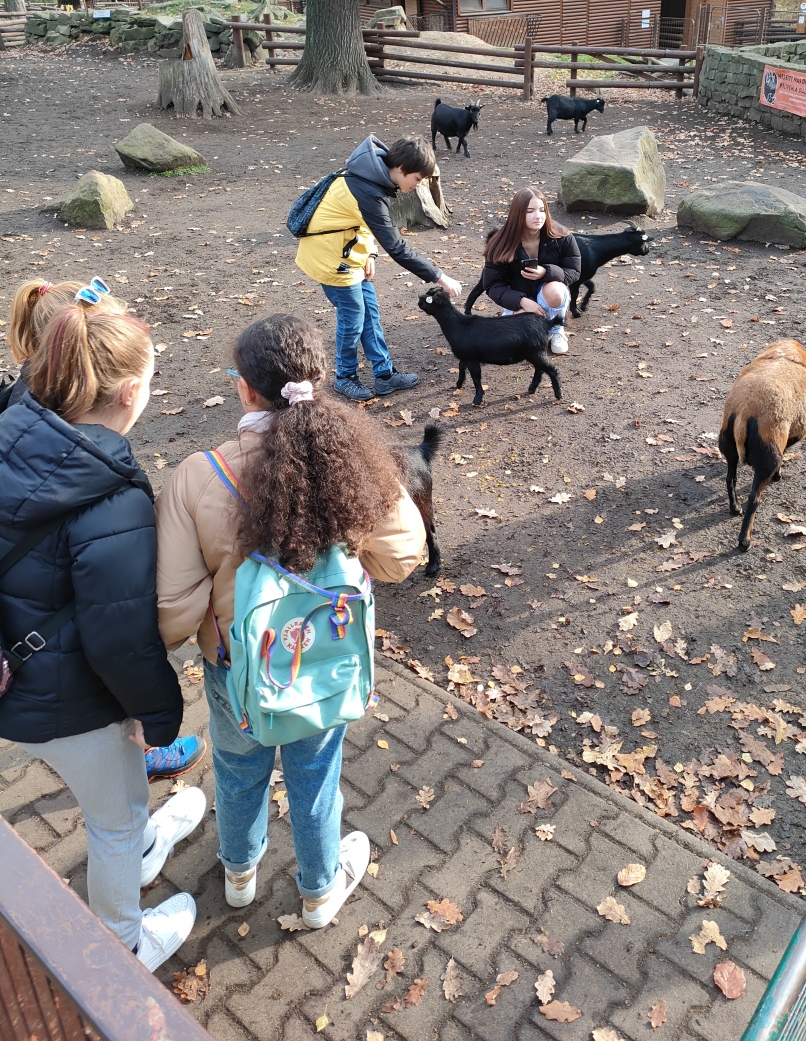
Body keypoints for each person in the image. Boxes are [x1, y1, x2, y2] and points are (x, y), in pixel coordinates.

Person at [155, 313, 426, 925]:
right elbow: (404, 554)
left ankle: (239, 874)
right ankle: (318, 893)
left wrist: (208, 624)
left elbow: (173, 611)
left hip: (237, 669)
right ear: (317, 380)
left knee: (236, 767)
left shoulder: (200, 475)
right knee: (315, 776)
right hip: (326, 659)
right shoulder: (353, 462)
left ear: (245, 388)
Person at [0, 292, 204, 971]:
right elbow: (121, 639)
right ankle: (124, 946)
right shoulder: (112, 501)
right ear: (127, 393)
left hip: (15, 670)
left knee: (118, 801)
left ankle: (143, 846)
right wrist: (160, 715)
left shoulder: (12, 426)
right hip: (62, 702)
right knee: (113, 817)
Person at [294, 134, 462, 401]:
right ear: (402, 170)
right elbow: (396, 247)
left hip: (352, 255)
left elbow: (360, 219)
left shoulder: (373, 176)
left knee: (370, 313)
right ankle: (345, 377)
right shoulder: (368, 189)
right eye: (417, 179)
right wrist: (440, 276)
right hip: (331, 260)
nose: (418, 185)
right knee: (353, 320)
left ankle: (384, 375)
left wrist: (370, 252)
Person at [479, 188, 581, 354]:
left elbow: (574, 270)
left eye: (542, 210)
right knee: (521, 344)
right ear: (517, 214)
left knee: (556, 290)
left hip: (549, 296)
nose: (538, 216)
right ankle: (527, 322)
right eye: (530, 211)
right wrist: (521, 301)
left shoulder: (561, 236)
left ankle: (556, 330)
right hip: (519, 297)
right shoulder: (500, 242)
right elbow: (493, 285)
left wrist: (546, 272)